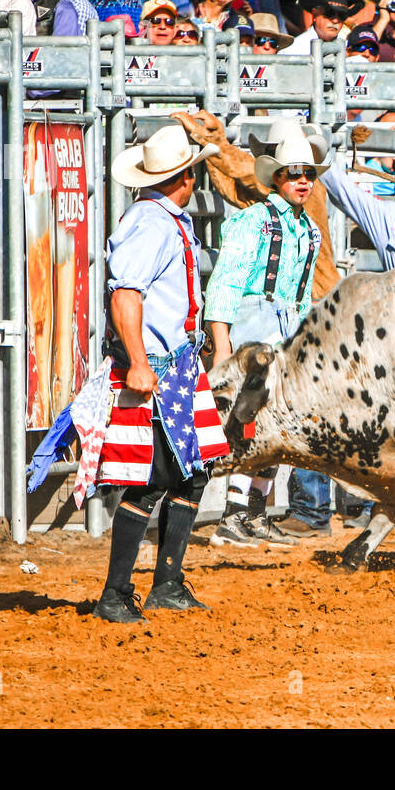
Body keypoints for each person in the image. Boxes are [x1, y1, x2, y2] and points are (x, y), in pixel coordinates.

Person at [91, 123, 229, 622]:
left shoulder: (163, 219)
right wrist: (141, 363)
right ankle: (115, 593)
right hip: (157, 367)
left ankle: (166, 582)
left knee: (192, 471)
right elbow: (126, 294)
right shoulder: (151, 223)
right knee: (155, 477)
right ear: (186, 176)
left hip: (178, 365)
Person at [205, 122, 330, 543]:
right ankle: (234, 512)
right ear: (276, 177)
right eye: (294, 173)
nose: (303, 181)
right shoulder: (254, 221)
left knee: (280, 420)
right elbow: (226, 281)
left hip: (287, 328)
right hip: (253, 322)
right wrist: (221, 340)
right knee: (248, 418)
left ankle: (254, 511)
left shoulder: (308, 230)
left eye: (308, 174)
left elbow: (302, 291)